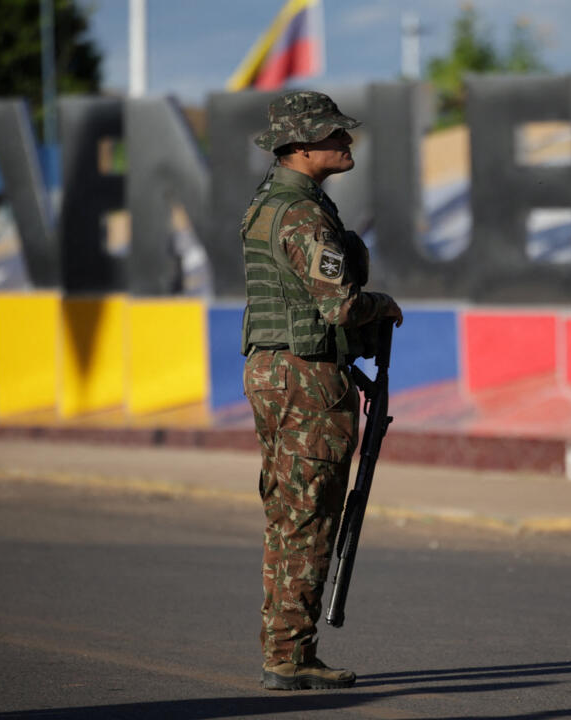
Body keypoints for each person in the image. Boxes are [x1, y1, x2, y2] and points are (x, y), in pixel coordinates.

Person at [240, 90, 403, 691]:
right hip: (306, 376)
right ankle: (288, 655)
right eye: (335, 135)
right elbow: (340, 307)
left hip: (274, 369)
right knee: (310, 515)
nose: (346, 141)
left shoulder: (269, 204)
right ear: (302, 147)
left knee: (289, 513)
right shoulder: (304, 215)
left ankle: (285, 648)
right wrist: (383, 305)